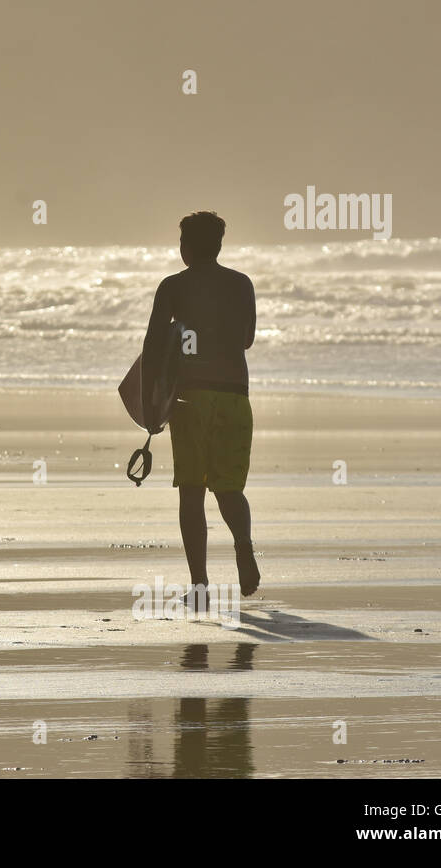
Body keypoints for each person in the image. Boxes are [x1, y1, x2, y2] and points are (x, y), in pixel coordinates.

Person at [141, 211, 260, 603]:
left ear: (186, 248)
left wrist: (148, 404)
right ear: (220, 246)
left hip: (190, 397)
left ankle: (200, 584)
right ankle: (243, 544)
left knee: (192, 490)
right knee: (229, 488)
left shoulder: (173, 286)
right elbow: (246, 340)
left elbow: (154, 346)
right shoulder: (241, 284)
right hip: (234, 395)